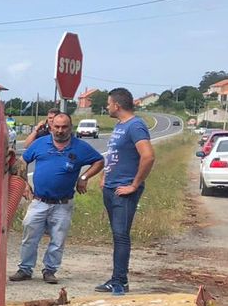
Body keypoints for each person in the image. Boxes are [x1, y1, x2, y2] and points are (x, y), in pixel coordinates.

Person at [10, 112, 103, 284]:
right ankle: (25, 269)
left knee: (58, 240)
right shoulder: (40, 143)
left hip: (63, 204)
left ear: (71, 127)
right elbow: (22, 161)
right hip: (39, 201)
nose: (60, 131)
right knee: (29, 237)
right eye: (57, 127)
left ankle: (50, 270)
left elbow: (99, 161)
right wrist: (24, 183)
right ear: (51, 127)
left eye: (64, 127)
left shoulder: (80, 147)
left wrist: (84, 177)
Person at [96, 87, 154, 295]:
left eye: (108, 103)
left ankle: (120, 281)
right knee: (116, 234)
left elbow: (148, 156)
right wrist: (105, 176)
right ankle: (116, 278)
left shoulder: (135, 126)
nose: (107, 107)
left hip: (124, 190)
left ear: (117, 105)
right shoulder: (120, 126)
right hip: (111, 187)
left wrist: (134, 184)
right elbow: (114, 155)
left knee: (121, 235)